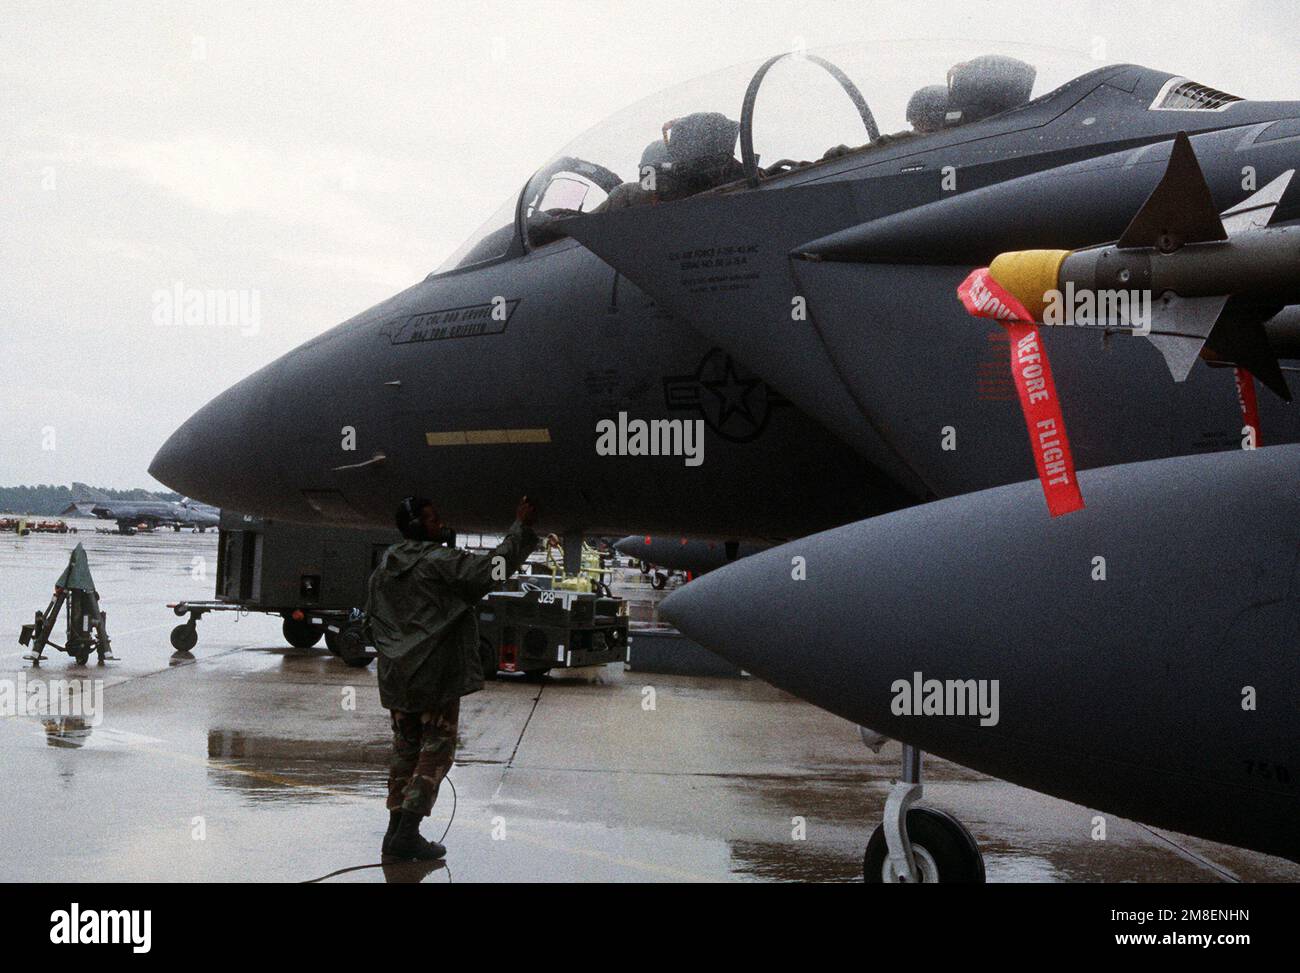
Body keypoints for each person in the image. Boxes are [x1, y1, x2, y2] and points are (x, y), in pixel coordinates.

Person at [366, 495, 539, 861]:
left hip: (397, 676)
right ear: (418, 527)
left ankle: (394, 832)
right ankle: (409, 833)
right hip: (433, 677)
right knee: (436, 753)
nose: (439, 523)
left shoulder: (385, 566)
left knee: (405, 750)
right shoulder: (441, 563)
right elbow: (491, 570)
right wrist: (520, 529)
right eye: (432, 520)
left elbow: (372, 620)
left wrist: (396, 653)